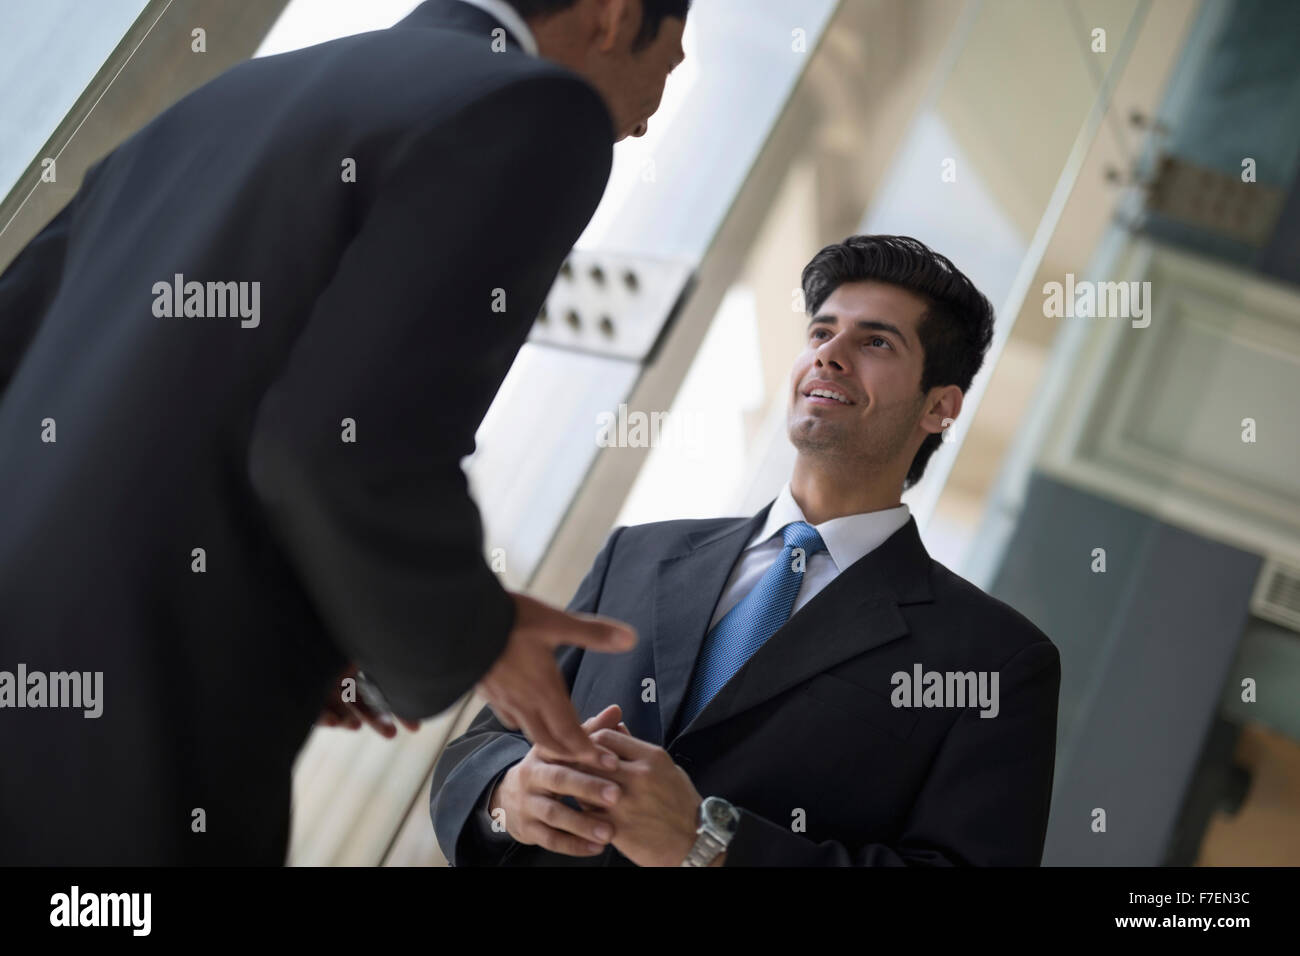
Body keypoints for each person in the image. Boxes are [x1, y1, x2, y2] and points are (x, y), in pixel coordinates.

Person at [0, 0, 689, 864]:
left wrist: (336, 609)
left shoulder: (225, 97)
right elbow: (339, 446)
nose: (652, 113)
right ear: (612, 14)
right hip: (136, 719)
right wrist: (474, 631)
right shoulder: (536, 111)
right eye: (669, 62)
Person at [430, 235, 1062, 866]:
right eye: (820, 332)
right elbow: (486, 745)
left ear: (940, 408)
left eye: (875, 342)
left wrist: (708, 845)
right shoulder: (640, 553)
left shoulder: (997, 659)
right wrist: (506, 794)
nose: (830, 356)